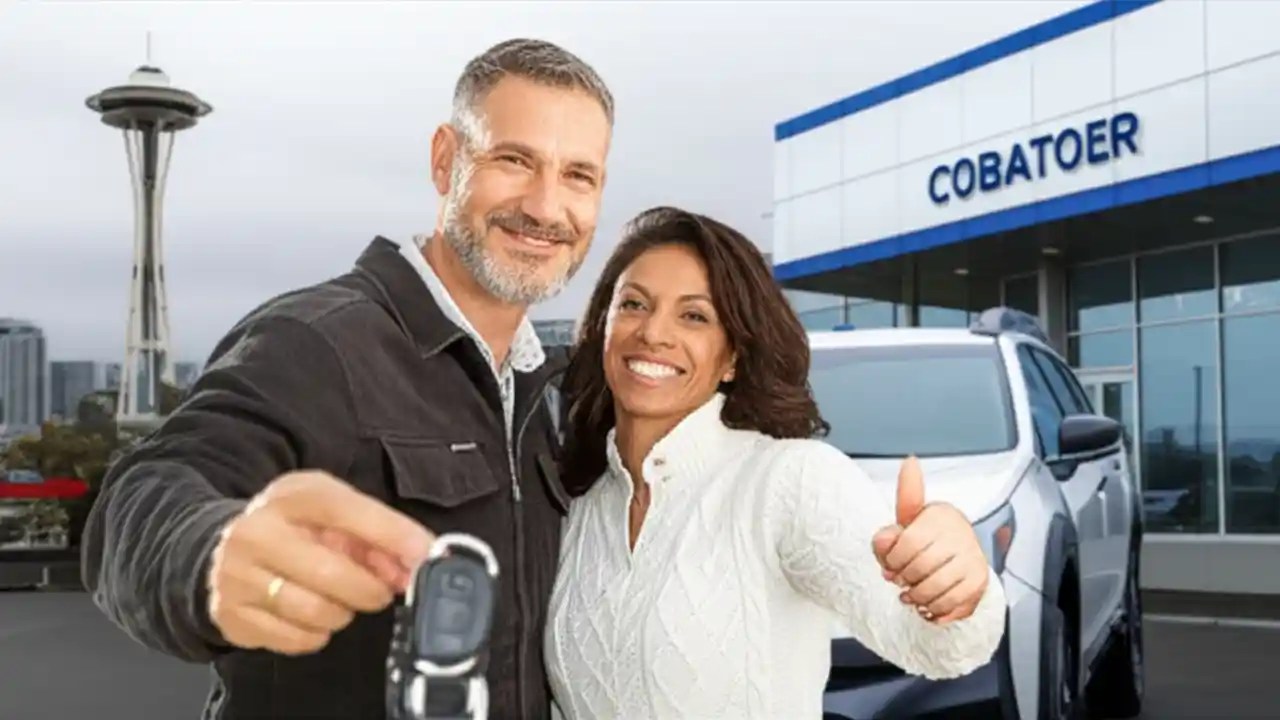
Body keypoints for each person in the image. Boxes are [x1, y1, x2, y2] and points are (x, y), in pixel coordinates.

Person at [81, 38, 613, 720]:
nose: (545, 207)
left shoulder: (548, 396)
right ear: (446, 160)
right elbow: (146, 494)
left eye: (579, 175)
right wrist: (208, 552)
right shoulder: (314, 343)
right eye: (515, 160)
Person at [545, 207, 1008, 719]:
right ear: (603, 325)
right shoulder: (577, 505)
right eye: (634, 304)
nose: (653, 332)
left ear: (733, 357)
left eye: (694, 315)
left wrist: (960, 586)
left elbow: (937, 648)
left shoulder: (787, 481)